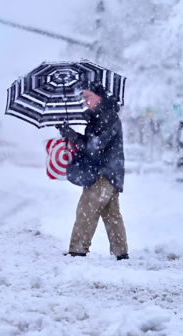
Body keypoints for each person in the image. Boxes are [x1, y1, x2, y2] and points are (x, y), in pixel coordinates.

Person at [59, 81, 128, 260]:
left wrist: (71, 135)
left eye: (89, 97)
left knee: (86, 210)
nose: (86, 101)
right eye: (84, 98)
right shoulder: (100, 117)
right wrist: (69, 132)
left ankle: (77, 251)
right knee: (111, 214)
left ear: (100, 97)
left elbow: (94, 147)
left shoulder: (106, 117)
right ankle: (121, 254)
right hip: (111, 173)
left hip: (103, 173)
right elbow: (93, 144)